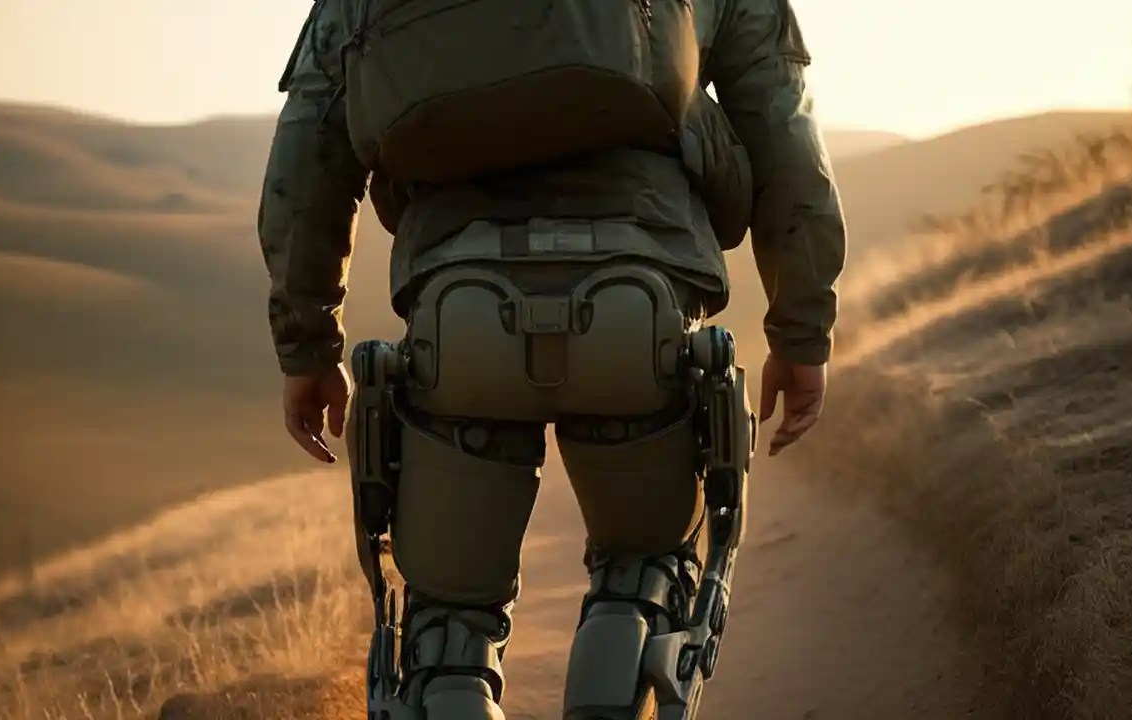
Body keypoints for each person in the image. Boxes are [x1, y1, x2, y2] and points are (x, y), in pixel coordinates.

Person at [258, 0, 846, 717]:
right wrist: (801, 329)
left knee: (448, 633)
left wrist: (309, 343)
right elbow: (783, 127)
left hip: (460, 315)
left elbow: (306, 156)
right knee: (641, 580)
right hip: (641, 309)